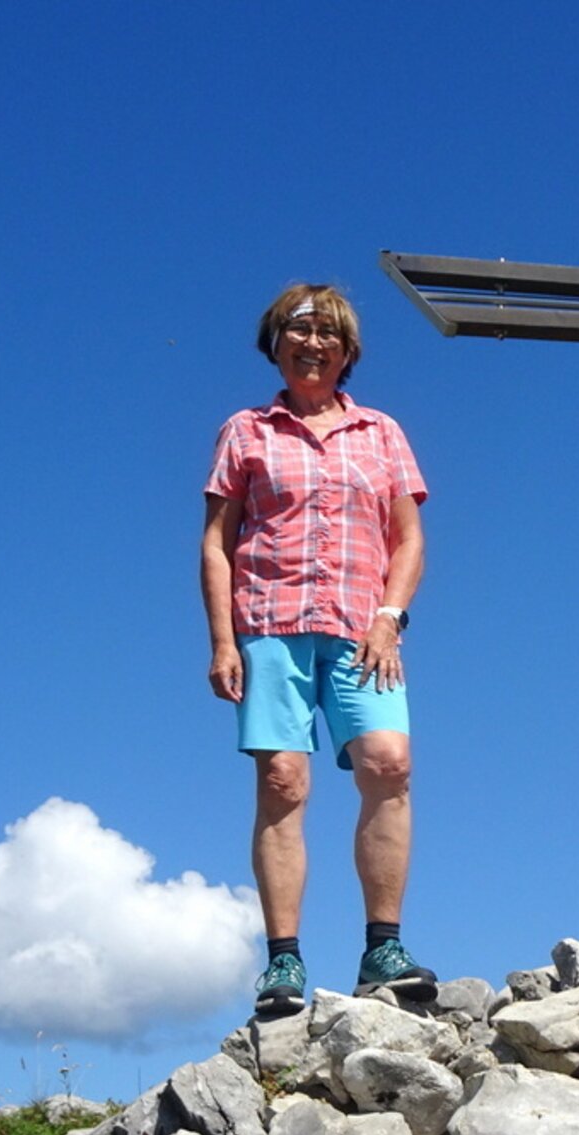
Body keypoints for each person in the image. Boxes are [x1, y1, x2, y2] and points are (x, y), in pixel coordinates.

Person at [201, 283, 434, 1017]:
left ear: (348, 351)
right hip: (270, 622)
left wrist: (390, 616)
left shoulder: (382, 432)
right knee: (282, 781)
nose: (312, 344)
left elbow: (410, 539)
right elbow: (217, 542)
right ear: (275, 343)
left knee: (389, 762)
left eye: (327, 334)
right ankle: (283, 961)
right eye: (297, 332)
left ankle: (383, 947)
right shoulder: (246, 430)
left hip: (365, 627)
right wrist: (222, 640)